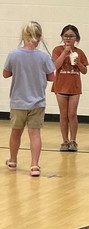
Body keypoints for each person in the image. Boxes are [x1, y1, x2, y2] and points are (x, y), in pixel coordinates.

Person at [3, 21, 55, 176]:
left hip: (18, 101)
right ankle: (34, 165)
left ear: (23, 36)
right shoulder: (44, 57)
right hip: (37, 101)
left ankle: (13, 160)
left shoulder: (14, 54)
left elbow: (5, 74)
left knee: (15, 132)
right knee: (35, 134)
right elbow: (52, 77)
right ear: (39, 37)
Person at [51, 24, 88, 152]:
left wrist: (78, 63)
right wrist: (65, 53)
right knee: (63, 115)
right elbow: (55, 66)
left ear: (76, 38)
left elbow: (84, 71)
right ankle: (64, 141)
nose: (68, 38)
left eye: (71, 36)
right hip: (60, 85)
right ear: (62, 37)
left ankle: (73, 140)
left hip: (74, 87)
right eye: (66, 36)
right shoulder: (57, 50)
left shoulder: (80, 52)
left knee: (72, 114)